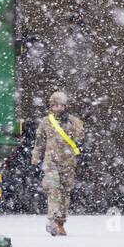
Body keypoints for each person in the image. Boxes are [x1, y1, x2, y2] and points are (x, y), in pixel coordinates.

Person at [31, 90, 86, 236]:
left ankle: (61, 222)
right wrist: (36, 156)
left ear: (65, 106)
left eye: (61, 105)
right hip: (51, 162)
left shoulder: (73, 120)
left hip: (68, 161)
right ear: (51, 106)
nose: (58, 108)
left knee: (65, 192)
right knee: (53, 189)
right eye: (55, 105)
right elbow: (39, 142)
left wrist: (73, 124)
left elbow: (80, 137)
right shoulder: (46, 122)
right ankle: (53, 221)